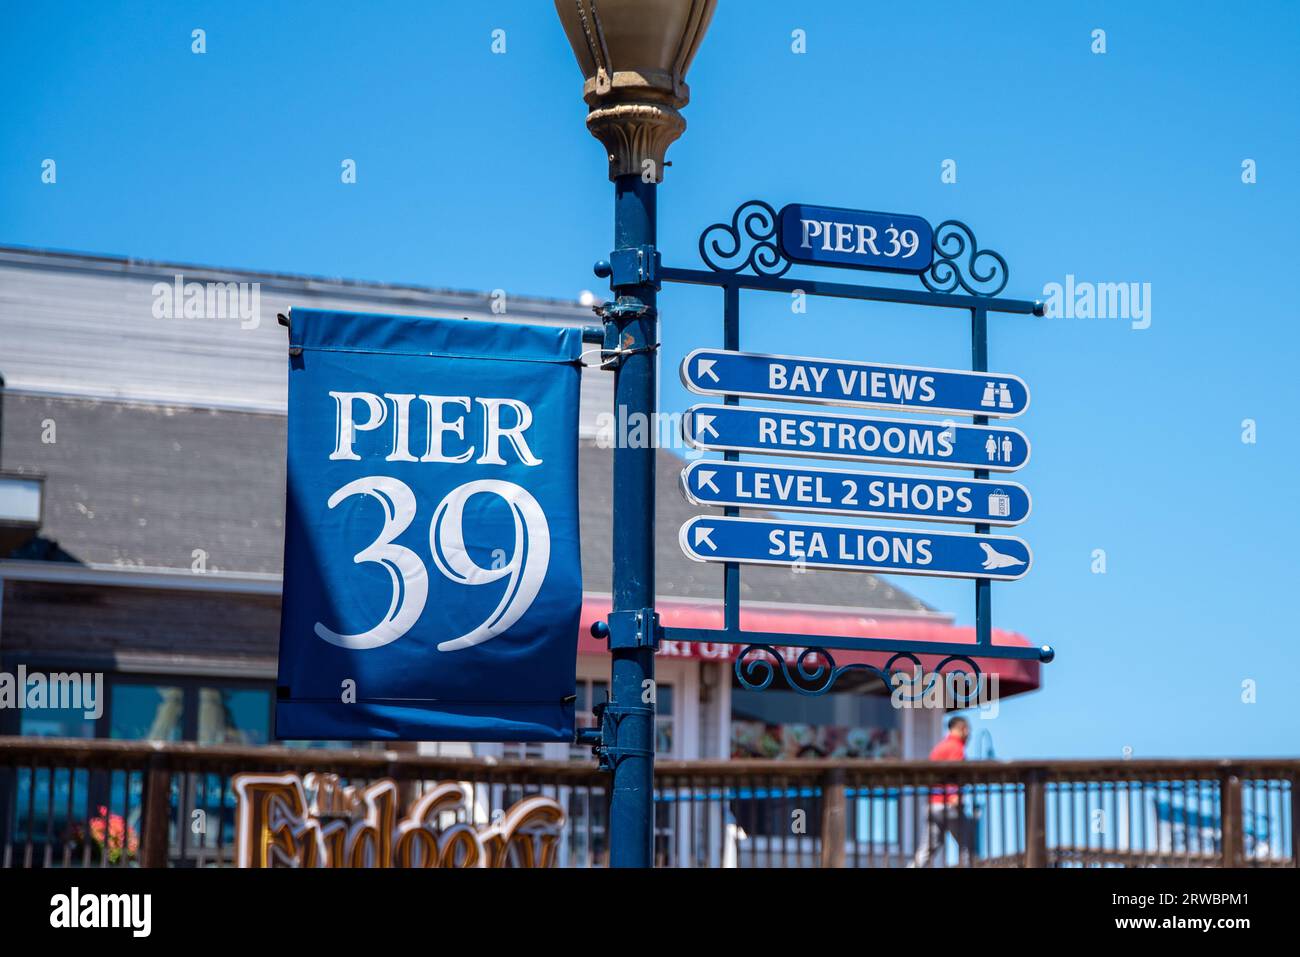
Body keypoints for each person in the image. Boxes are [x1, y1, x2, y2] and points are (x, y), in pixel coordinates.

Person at [909, 716, 977, 867]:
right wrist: (954, 796)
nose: (969, 735)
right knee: (967, 844)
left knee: (928, 848)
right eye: (968, 731)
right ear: (963, 729)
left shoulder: (940, 747)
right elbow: (954, 772)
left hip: (934, 805)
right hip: (949, 805)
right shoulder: (956, 747)